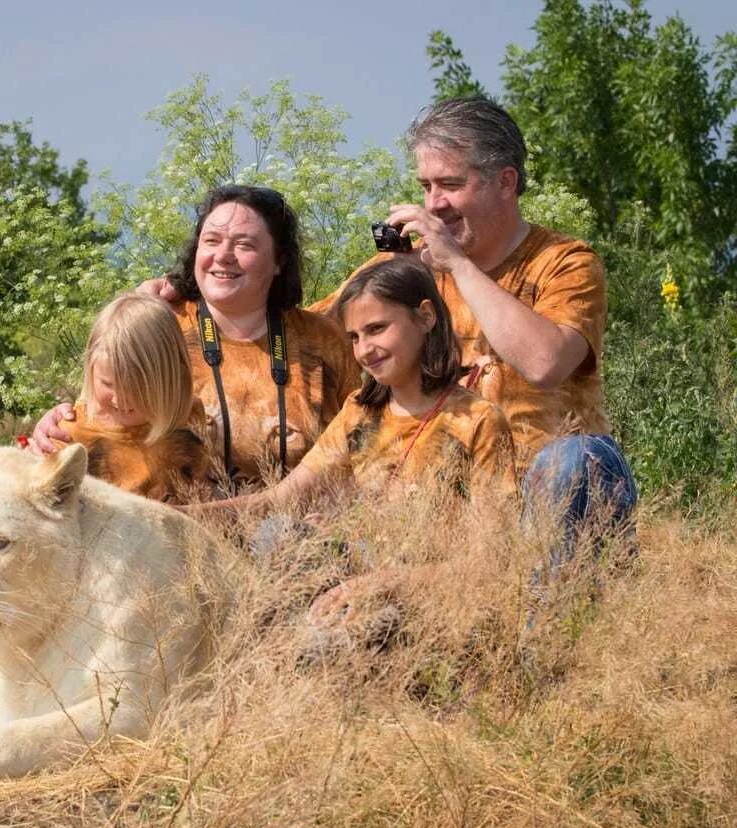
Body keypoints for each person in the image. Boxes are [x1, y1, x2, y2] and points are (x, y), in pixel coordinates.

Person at [315, 96, 636, 557]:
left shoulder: (565, 263)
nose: (433, 205)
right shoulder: (407, 266)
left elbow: (546, 363)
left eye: (450, 184)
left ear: (506, 182)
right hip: (435, 507)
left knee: (577, 461)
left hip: (540, 501)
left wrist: (458, 267)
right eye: (425, 186)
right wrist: (188, 298)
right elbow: (311, 338)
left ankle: (547, 621)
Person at [34, 185, 359, 488]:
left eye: (244, 244)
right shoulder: (156, 327)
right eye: (212, 240)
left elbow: (362, 439)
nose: (224, 255)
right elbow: (98, 415)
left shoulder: (324, 341)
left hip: (298, 534)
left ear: (279, 260)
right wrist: (56, 428)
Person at [197, 256, 515, 520]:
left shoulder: (479, 420)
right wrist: (183, 515)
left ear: (426, 317)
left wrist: (378, 582)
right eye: (354, 337)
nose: (364, 350)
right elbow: (283, 497)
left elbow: (493, 552)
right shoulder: (359, 411)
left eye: (376, 329)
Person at [36, 293, 211, 502]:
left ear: (172, 378)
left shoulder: (188, 414)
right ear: (91, 371)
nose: (120, 400)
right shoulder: (71, 434)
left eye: (136, 388)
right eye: (107, 384)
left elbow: (200, 485)